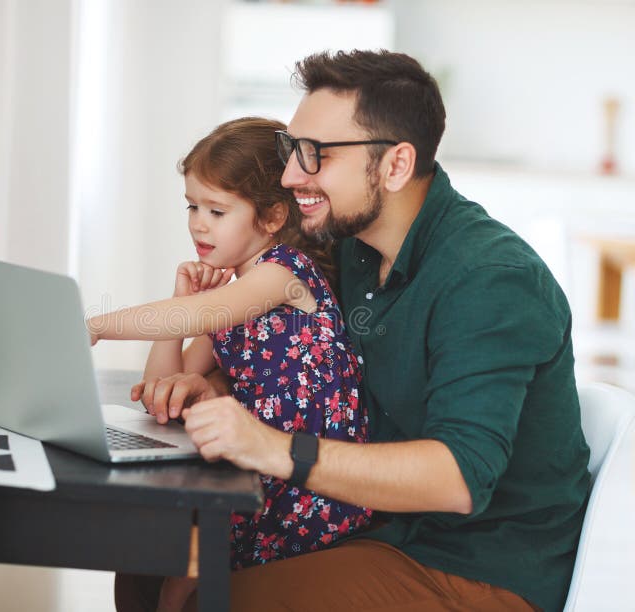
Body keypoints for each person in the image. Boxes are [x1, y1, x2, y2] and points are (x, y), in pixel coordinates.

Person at [118, 50, 590, 612]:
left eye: (314, 155)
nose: (291, 176)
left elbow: (458, 478)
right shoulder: (353, 250)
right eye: (289, 151)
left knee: (210, 601)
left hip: (472, 568)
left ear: (394, 165)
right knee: (147, 563)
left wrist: (273, 448)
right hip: (375, 526)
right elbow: (298, 355)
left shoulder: (492, 280)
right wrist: (217, 385)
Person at [87, 117, 373, 611]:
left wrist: (95, 325)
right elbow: (161, 392)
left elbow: (202, 314)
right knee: (162, 573)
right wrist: (180, 307)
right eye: (192, 206)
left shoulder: (282, 274)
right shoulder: (228, 298)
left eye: (217, 211)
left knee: (180, 585)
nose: (198, 223)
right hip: (257, 481)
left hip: (312, 493)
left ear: (270, 219)